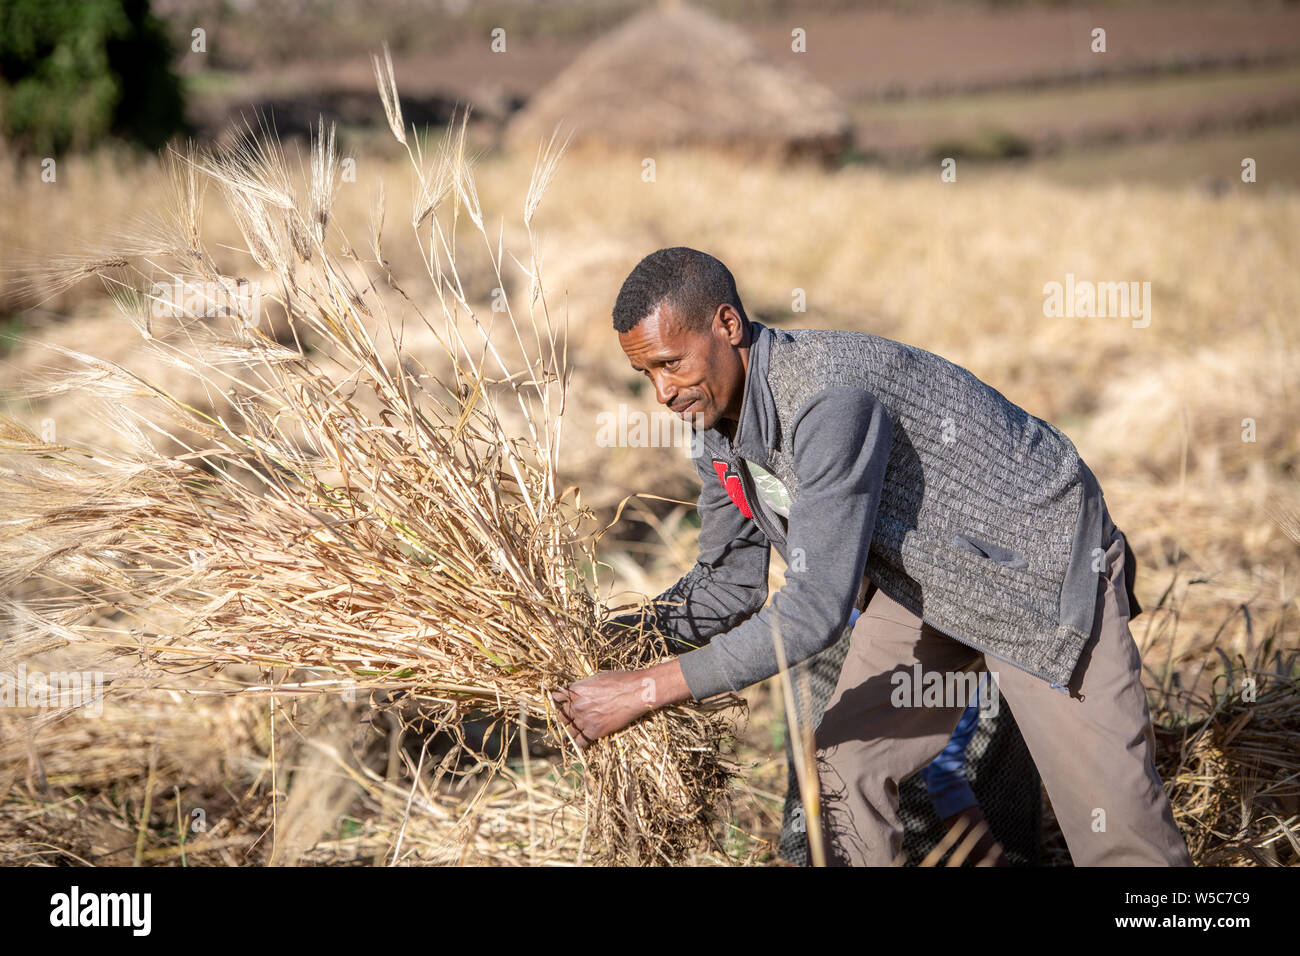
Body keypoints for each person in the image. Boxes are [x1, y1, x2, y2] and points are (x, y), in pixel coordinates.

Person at [551, 247, 1192, 866]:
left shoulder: (828, 397)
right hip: (926, 577)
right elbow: (725, 586)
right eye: (647, 375)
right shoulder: (718, 434)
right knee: (844, 769)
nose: (662, 392)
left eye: (670, 363)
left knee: (1116, 831)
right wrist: (602, 644)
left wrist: (643, 689)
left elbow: (815, 611)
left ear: (726, 324)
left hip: (1036, 568)